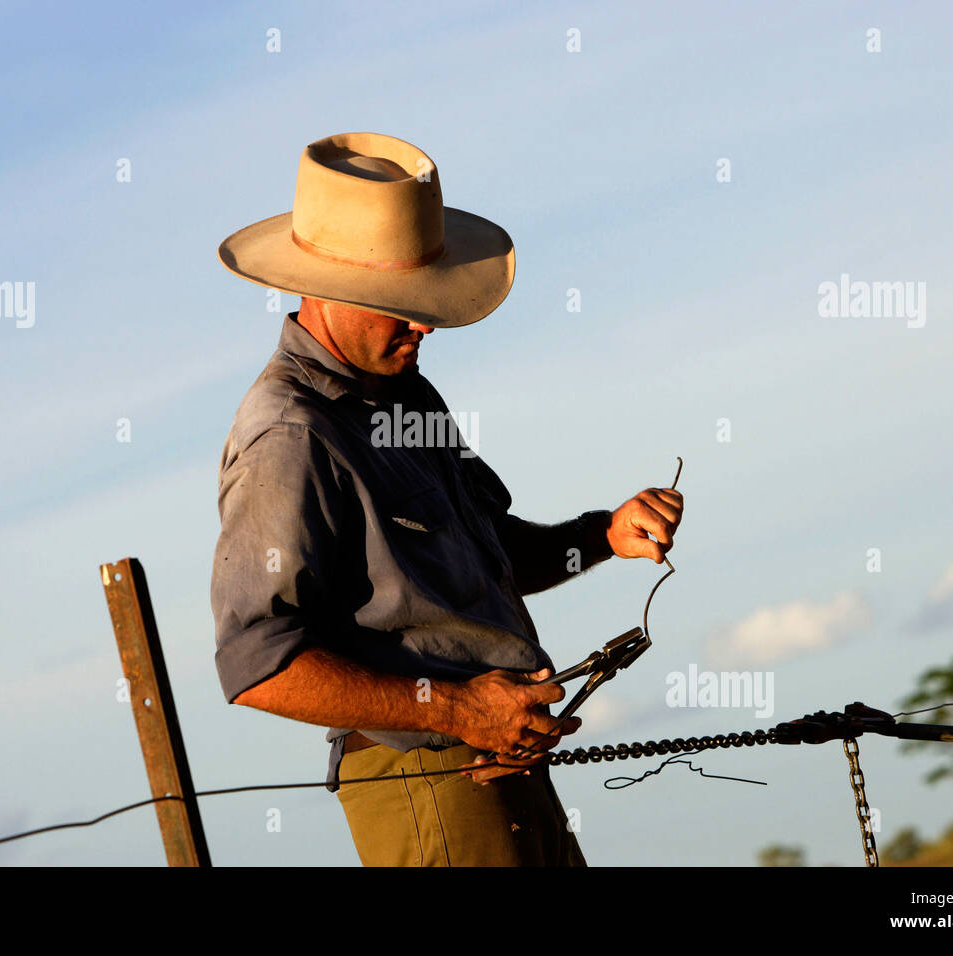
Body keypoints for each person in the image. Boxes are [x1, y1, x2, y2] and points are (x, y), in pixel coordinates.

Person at [211, 132, 683, 866]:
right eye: (397, 304)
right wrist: (459, 708)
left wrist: (603, 535)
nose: (424, 322)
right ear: (322, 289)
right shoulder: (288, 434)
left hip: (500, 764)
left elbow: (492, 551)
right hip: (421, 778)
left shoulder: (406, 395)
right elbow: (259, 665)